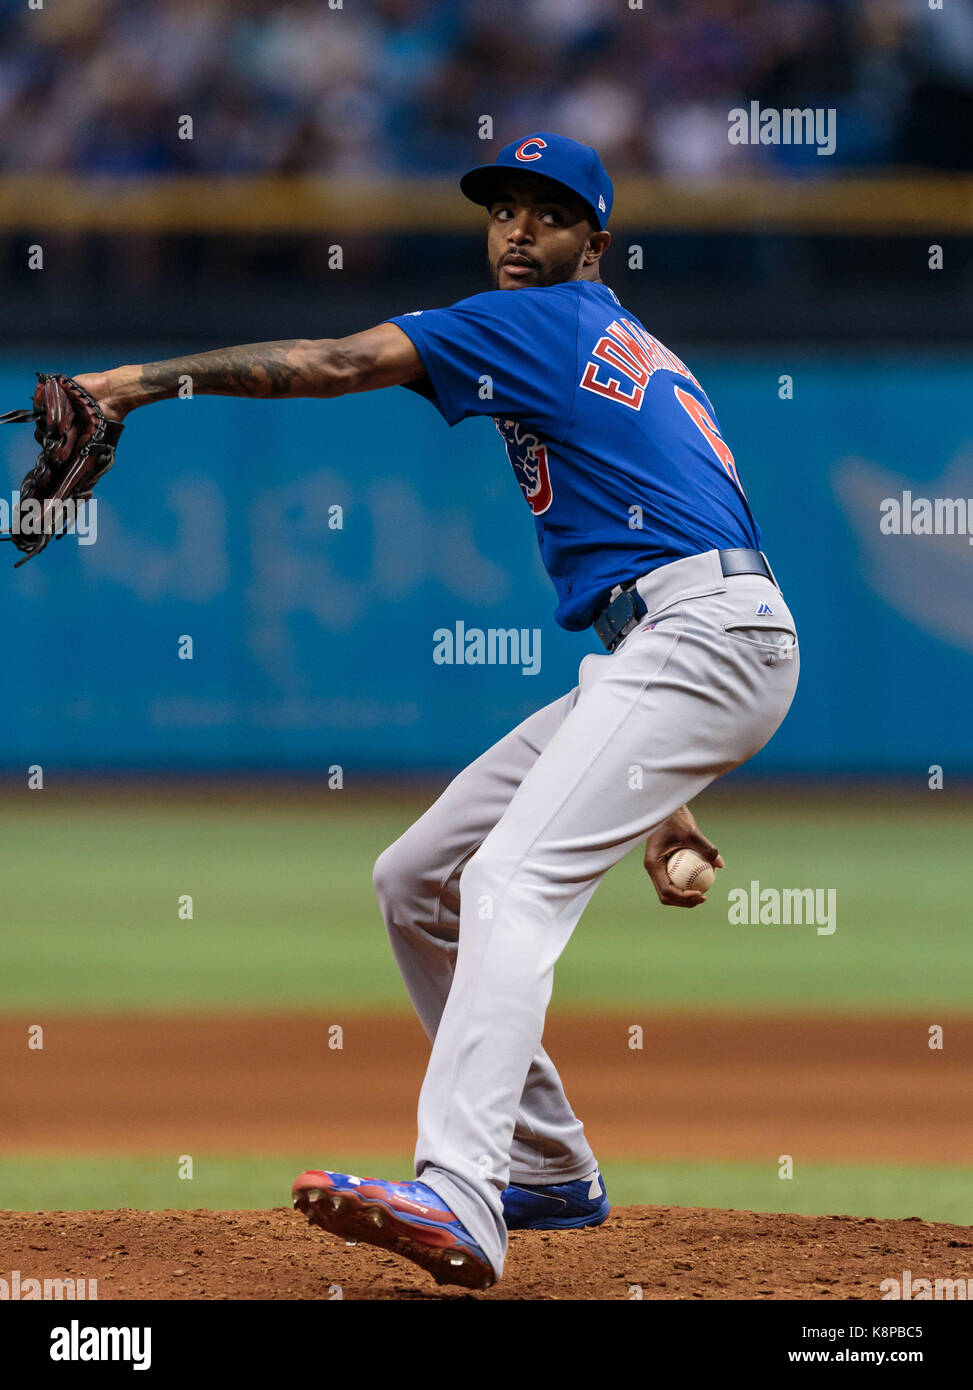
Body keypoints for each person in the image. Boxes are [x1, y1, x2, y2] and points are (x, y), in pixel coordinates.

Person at [74, 133, 799, 1292]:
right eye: (502, 209)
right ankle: (549, 1165)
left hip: (700, 638)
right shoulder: (623, 346)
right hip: (677, 641)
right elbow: (680, 553)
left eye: (548, 214)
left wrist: (123, 384)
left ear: (592, 246)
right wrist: (670, 798)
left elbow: (325, 360)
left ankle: (460, 1193)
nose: (518, 230)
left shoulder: (542, 321)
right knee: (418, 876)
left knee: (511, 880)